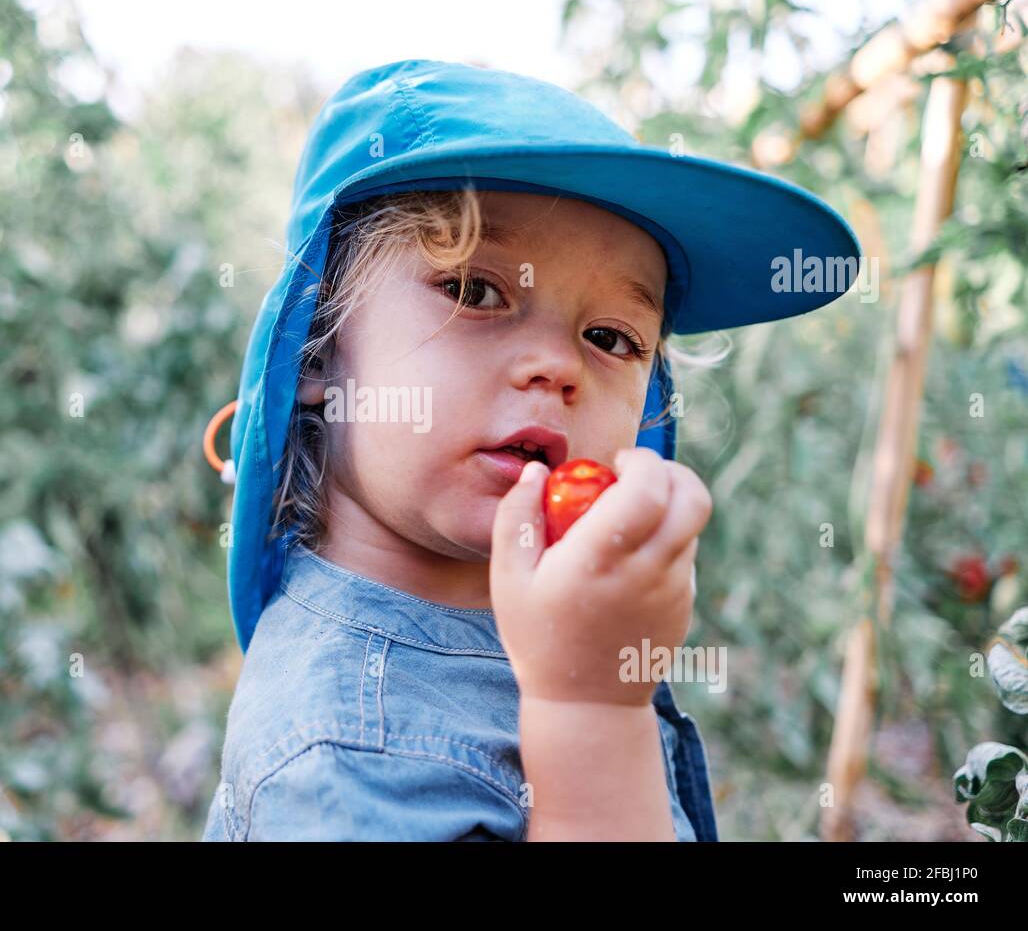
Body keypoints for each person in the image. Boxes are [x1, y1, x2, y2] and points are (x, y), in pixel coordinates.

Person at [200, 59, 861, 840]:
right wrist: (589, 707)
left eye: (611, 337)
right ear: (317, 352)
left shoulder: (528, 626)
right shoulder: (344, 758)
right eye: (476, 292)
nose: (561, 366)